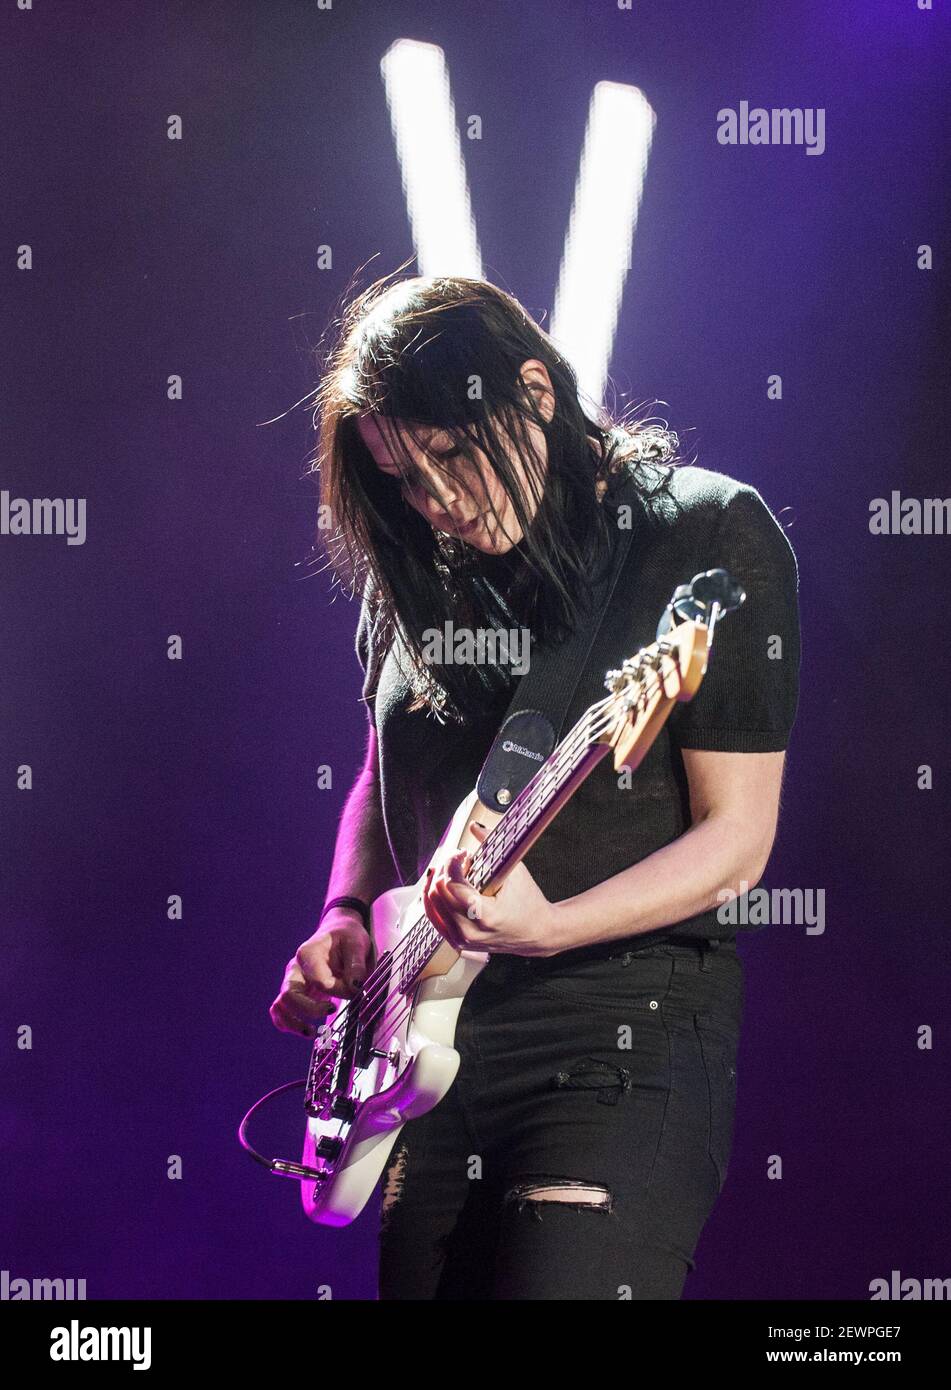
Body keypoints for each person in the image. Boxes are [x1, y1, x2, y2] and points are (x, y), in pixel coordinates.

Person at [270, 271, 801, 1300]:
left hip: (617, 1028)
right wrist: (345, 915)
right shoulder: (419, 570)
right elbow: (388, 770)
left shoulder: (702, 534)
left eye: (455, 453)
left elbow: (739, 838)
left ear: (535, 391)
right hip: (427, 1048)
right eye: (407, 476)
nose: (439, 502)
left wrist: (554, 924)